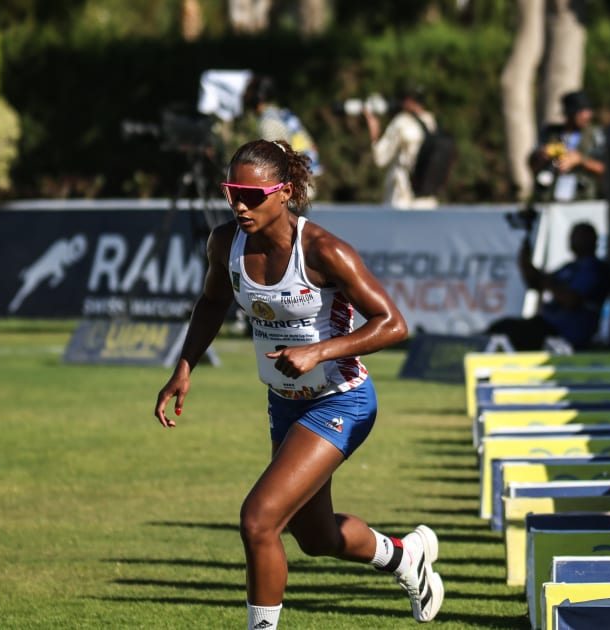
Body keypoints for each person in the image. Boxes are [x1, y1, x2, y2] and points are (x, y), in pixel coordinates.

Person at [152, 139, 443, 629]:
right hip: (284, 403)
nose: (239, 205)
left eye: (251, 194)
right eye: (231, 192)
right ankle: (404, 557)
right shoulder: (224, 243)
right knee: (316, 538)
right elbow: (211, 303)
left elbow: (393, 323)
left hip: (342, 401)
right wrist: (184, 367)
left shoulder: (325, 251)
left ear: (283, 192)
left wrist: (319, 351)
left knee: (258, 520)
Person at [486, 221, 610, 351]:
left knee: (511, 332)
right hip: (545, 324)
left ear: (593, 239)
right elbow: (535, 283)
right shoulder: (569, 267)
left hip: (565, 333)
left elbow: (571, 300)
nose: (573, 239)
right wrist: (526, 245)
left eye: (579, 235)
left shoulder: (594, 269)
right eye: (572, 235)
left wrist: (546, 281)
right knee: (501, 327)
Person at [366, 86, 439, 209]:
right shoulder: (430, 121)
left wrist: (374, 129)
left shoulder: (401, 123)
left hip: (402, 198)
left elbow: (380, 158)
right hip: (426, 201)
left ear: (409, 100)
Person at [529, 90, 606, 202]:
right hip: (550, 200)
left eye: (588, 112)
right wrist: (543, 155)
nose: (586, 116)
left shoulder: (595, 135)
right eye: (581, 112)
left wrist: (580, 161)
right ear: (570, 113)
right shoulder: (550, 133)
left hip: (584, 201)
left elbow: (606, 170)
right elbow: (532, 166)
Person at [242, 75, 323, 181]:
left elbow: (272, 161)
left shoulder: (268, 123)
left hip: (296, 180)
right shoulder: (283, 114)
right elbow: (311, 145)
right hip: (308, 171)